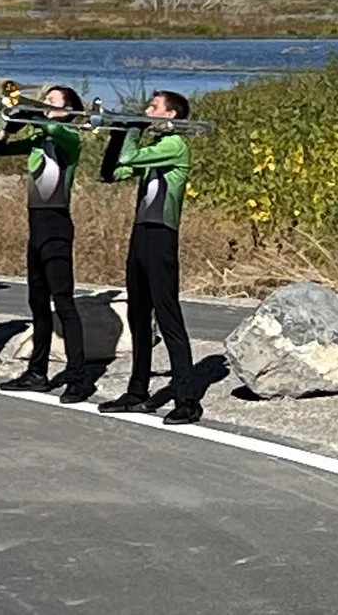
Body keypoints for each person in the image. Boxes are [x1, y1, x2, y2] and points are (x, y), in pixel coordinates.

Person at [98, 91, 204, 425]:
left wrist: (131, 130)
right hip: (141, 235)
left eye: (153, 108)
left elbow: (130, 157)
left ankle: (187, 399)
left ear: (171, 115)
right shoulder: (153, 153)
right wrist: (117, 133)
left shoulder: (173, 147)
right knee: (138, 316)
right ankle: (137, 389)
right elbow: (111, 173)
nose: (147, 111)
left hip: (161, 236)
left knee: (168, 316)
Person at [0, 86, 88, 399]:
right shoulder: (38, 139)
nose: (46, 103)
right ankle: (37, 371)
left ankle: (78, 376)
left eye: (53, 100)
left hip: (56, 224)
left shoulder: (70, 136)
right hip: (36, 225)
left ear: (69, 109)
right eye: (45, 99)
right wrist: (7, 128)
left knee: (65, 302)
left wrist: (34, 114)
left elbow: (56, 128)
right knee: (38, 303)